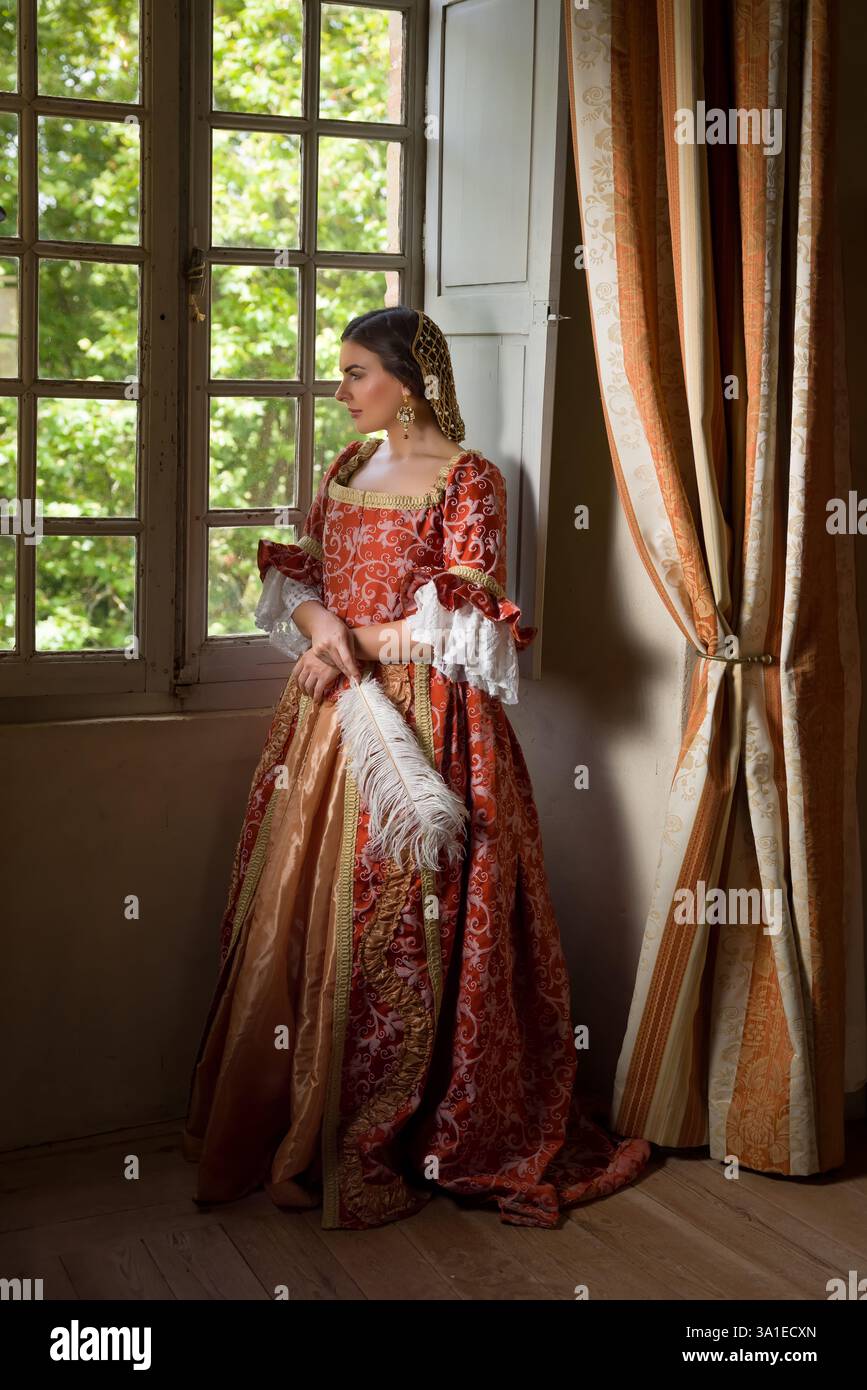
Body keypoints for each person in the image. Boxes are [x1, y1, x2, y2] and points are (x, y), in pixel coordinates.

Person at [182, 306, 650, 1230]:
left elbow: (467, 623)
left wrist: (352, 638)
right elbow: (304, 583)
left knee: (406, 918)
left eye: (356, 372)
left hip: (431, 721)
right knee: (305, 917)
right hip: (332, 716)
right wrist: (325, 639)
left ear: (408, 380)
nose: (341, 389)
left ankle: (397, 1130)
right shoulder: (347, 467)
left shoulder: (470, 481)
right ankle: (296, 1127)